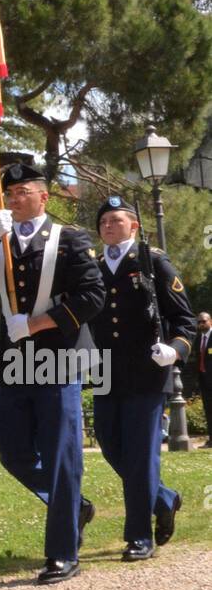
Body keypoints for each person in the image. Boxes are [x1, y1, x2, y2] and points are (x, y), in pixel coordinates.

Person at [0, 159, 105, 584]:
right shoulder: (0, 240)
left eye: (25, 192)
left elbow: (93, 295)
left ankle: (62, 552)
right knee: (13, 452)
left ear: (43, 196)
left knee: (60, 453)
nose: (17, 199)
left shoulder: (69, 239)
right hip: (15, 359)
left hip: (59, 356)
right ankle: (74, 506)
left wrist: (40, 322)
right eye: (10, 194)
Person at [91, 195, 195, 558]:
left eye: (116, 220)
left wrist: (176, 349)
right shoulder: (93, 267)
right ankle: (164, 497)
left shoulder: (152, 262)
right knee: (109, 444)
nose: (109, 226)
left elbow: (185, 320)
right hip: (106, 372)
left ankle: (139, 536)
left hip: (147, 373)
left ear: (133, 225)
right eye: (104, 222)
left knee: (139, 455)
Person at [192, 310, 212, 446]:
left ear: (210, 321)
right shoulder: (198, 339)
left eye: (203, 321)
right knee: (209, 410)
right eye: (199, 322)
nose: (201, 324)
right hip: (204, 382)